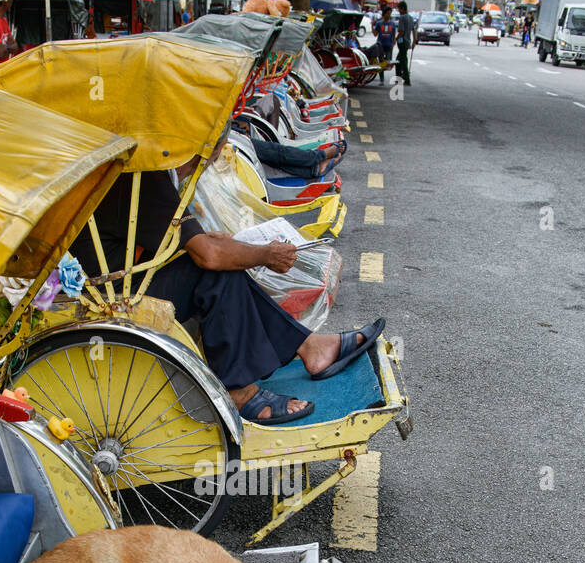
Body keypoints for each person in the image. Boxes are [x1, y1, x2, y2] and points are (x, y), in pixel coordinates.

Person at [70, 141, 384, 426]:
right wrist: (265, 254)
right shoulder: (145, 177)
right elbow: (209, 256)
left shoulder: (142, 174)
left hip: (124, 278)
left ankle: (309, 346)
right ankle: (240, 391)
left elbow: (180, 239)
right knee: (217, 272)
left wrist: (226, 246)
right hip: (109, 296)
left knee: (224, 262)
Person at [394, 1, 415, 86]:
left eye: (399, 9)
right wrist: (414, 41)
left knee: (402, 60)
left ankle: (406, 79)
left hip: (402, 42)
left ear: (402, 8)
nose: (398, 11)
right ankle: (400, 78)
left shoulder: (402, 17)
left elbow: (401, 31)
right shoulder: (410, 18)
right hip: (408, 42)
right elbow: (413, 30)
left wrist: (395, 39)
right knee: (400, 60)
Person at [372, 6, 397, 72]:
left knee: (388, 63)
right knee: (381, 63)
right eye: (388, 13)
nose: (389, 15)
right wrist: (372, 26)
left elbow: (394, 36)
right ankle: (381, 78)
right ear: (384, 14)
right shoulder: (379, 23)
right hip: (380, 46)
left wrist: (393, 44)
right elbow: (375, 34)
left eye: (390, 14)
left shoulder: (392, 24)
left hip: (389, 46)